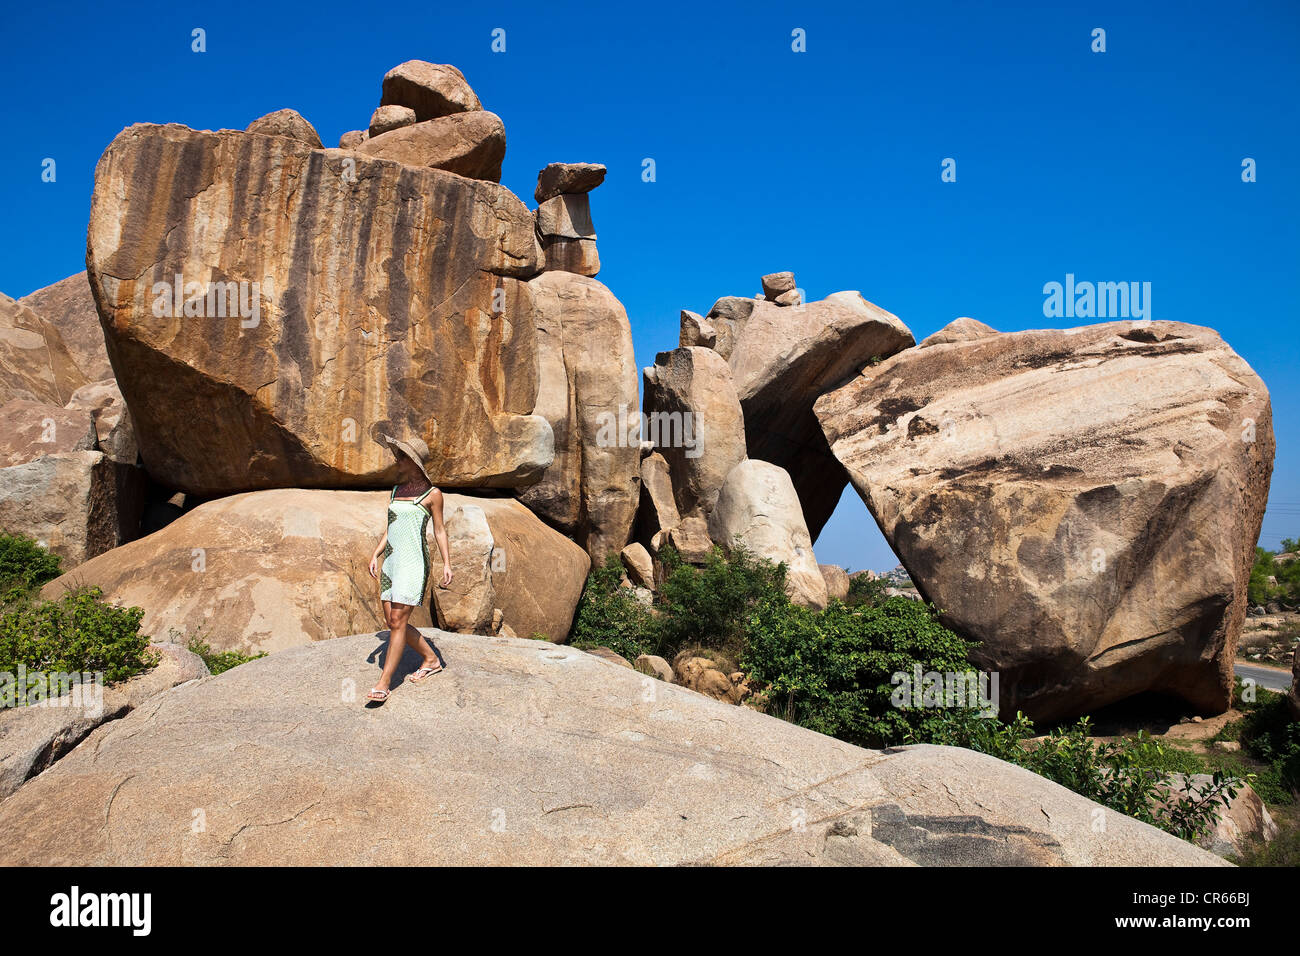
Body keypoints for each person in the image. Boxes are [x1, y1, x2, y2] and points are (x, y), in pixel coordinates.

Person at [365, 434, 452, 704]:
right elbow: (391, 527)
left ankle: (384, 682)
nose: (396, 460)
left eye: (401, 456)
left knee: (398, 622)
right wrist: (376, 554)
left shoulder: (433, 494)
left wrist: (447, 563)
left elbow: (439, 530)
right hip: (392, 562)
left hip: (414, 562)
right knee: (393, 622)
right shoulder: (395, 491)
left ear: (413, 462)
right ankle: (430, 659)